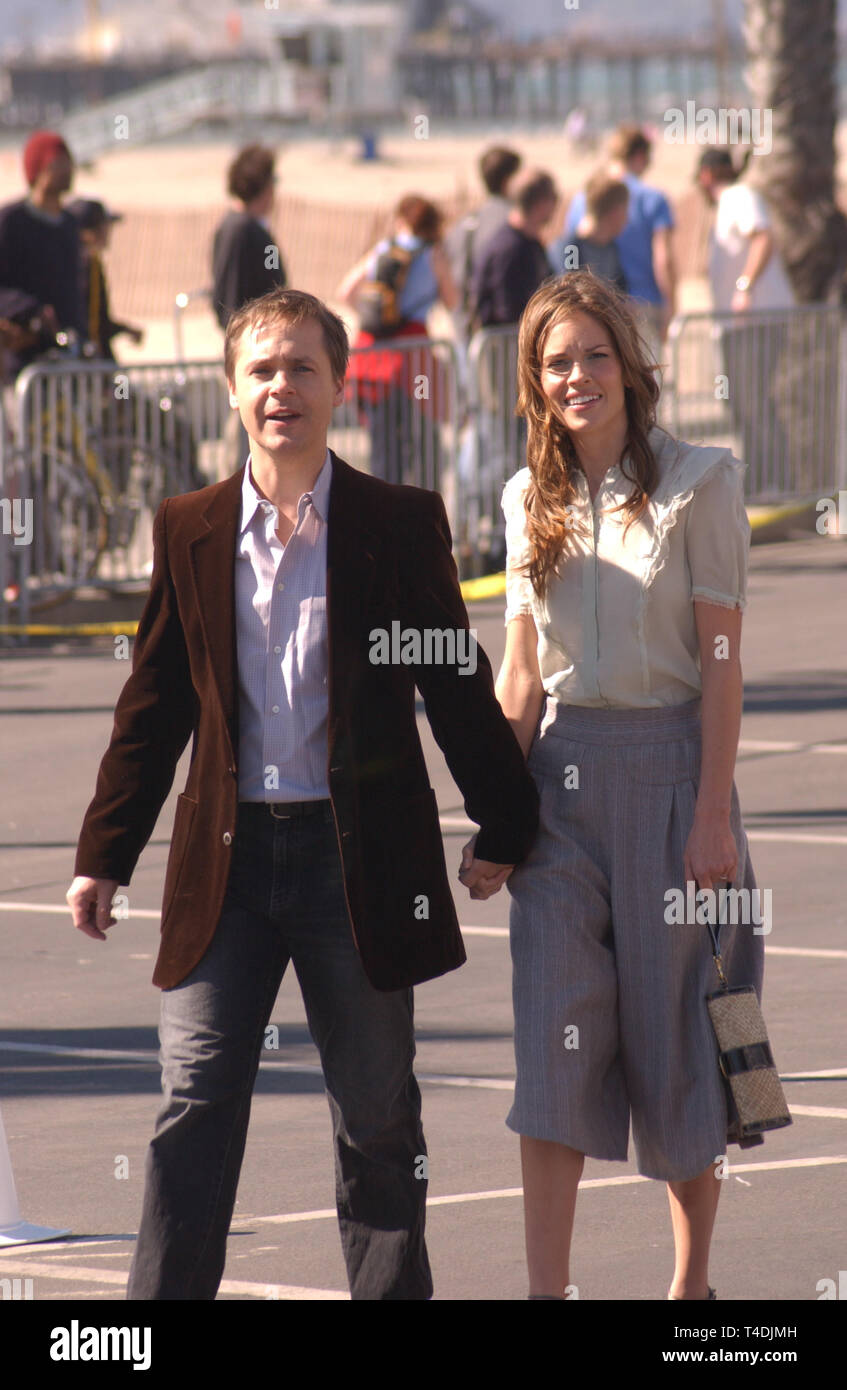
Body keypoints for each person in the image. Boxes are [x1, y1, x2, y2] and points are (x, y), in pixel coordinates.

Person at [65, 287, 539, 1302]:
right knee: (193, 1103)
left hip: (353, 866)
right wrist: (104, 854)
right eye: (262, 369)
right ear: (233, 391)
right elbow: (153, 705)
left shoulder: (397, 523)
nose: (282, 386)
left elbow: (453, 680)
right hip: (224, 871)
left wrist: (508, 819)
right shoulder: (187, 528)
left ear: (337, 384)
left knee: (376, 1114)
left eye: (302, 367)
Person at [496, 271, 763, 1300]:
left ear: (629, 364)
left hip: (673, 784)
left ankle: (689, 1288)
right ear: (535, 379)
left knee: (678, 1049)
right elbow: (519, 674)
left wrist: (710, 816)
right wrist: (493, 818)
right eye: (556, 360)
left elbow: (724, 660)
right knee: (550, 1048)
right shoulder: (526, 496)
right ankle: (545, 1293)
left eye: (594, 355)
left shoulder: (704, 478)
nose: (577, 376)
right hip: (559, 795)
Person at [338, 194, 458, 485]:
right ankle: (426, 516)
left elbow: (345, 292)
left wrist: (377, 317)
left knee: (383, 450)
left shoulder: (382, 249)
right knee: (424, 444)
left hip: (372, 358)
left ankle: (383, 519)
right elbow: (453, 302)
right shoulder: (433, 254)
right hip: (414, 361)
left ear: (401, 220)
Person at [696, 147, 794, 490]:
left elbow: (763, 237)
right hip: (740, 326)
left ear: (707, 175)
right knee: (743, 402)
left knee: (754, 402)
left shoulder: (738, 196)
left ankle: (775, 483)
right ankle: (762, 482)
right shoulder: (726, 205)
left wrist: (744, 286)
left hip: (756, 323)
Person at [556, 125, 676, 342]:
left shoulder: (580, 201)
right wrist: (671, 305)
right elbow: (663, 259)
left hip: (613, 313)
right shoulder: (652, 199)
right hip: (630, 310)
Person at [213, 144, 286, 473]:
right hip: (251, 355)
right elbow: (229, 303)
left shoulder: (252, 228)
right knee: (242, 447)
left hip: (263, 352)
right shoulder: (238, 230)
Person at [0, 130, 86, 383]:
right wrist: (28, 311)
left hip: (71, 359)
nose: (66, 170)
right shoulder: (11, 222)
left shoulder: (70, 224)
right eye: (57, 163)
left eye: (68, 163)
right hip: (25, 363)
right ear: (38, 170)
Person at [444, 144, 522, 341]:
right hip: (497, 338)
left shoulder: (462, 224)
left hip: (462, 331)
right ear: (508, 181)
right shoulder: (512, 225)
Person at [471, 169, 558, 330]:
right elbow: (506, 310)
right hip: (507, 349)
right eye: (554, 198)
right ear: (541, 204)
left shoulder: (532, 243)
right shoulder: (509, 248)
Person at [66, 198, 144, 361]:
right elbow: (88, 321)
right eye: (104, 226)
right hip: (85, 360)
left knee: (124, 385)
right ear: (86, 233)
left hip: (95, 356)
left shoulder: (91, 263)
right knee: (122, 386)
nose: (109, 232)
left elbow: (98, 319)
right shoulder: (83, 266)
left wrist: (124, 329)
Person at [555, 172, 629, 291]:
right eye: (625, 211)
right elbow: (569, 291)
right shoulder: (572, 248)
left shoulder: (612, 248)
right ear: (616, 212)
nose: (627, 219)